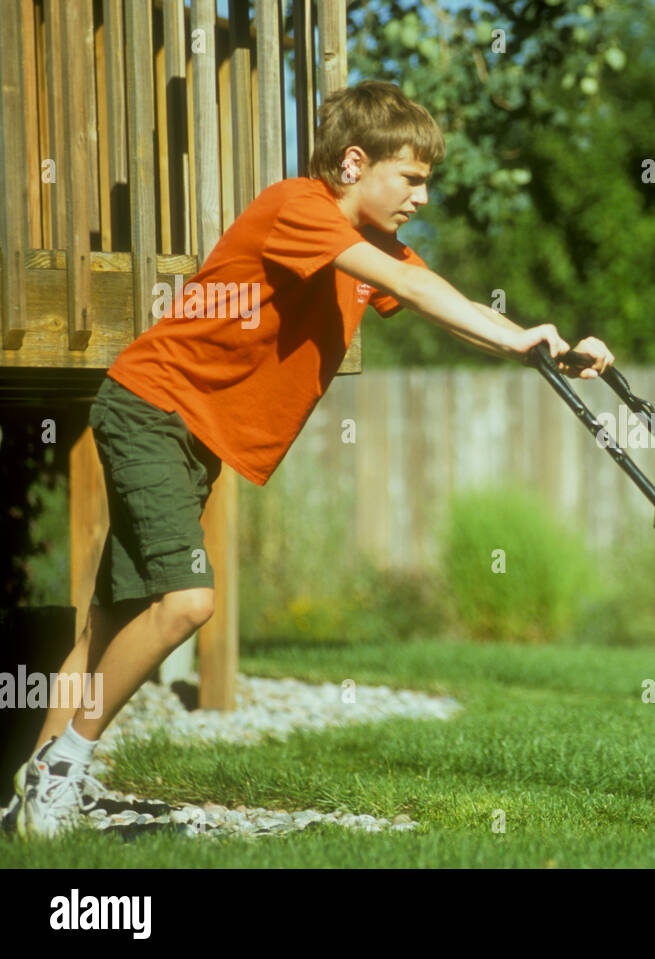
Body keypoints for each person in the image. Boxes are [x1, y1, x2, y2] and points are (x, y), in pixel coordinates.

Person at [5, 79, 614, 839]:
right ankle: (65, 771)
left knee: (106, 629)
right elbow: (406, 285)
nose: (422, 197)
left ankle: (32, 805)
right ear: (355, 163)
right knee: (188, 603)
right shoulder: (298, 208)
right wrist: (514, 336)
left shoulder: (371, 245)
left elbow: (430, 292)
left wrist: (537, 344)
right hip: (150, 410)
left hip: (187, 438)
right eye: (412, 178)